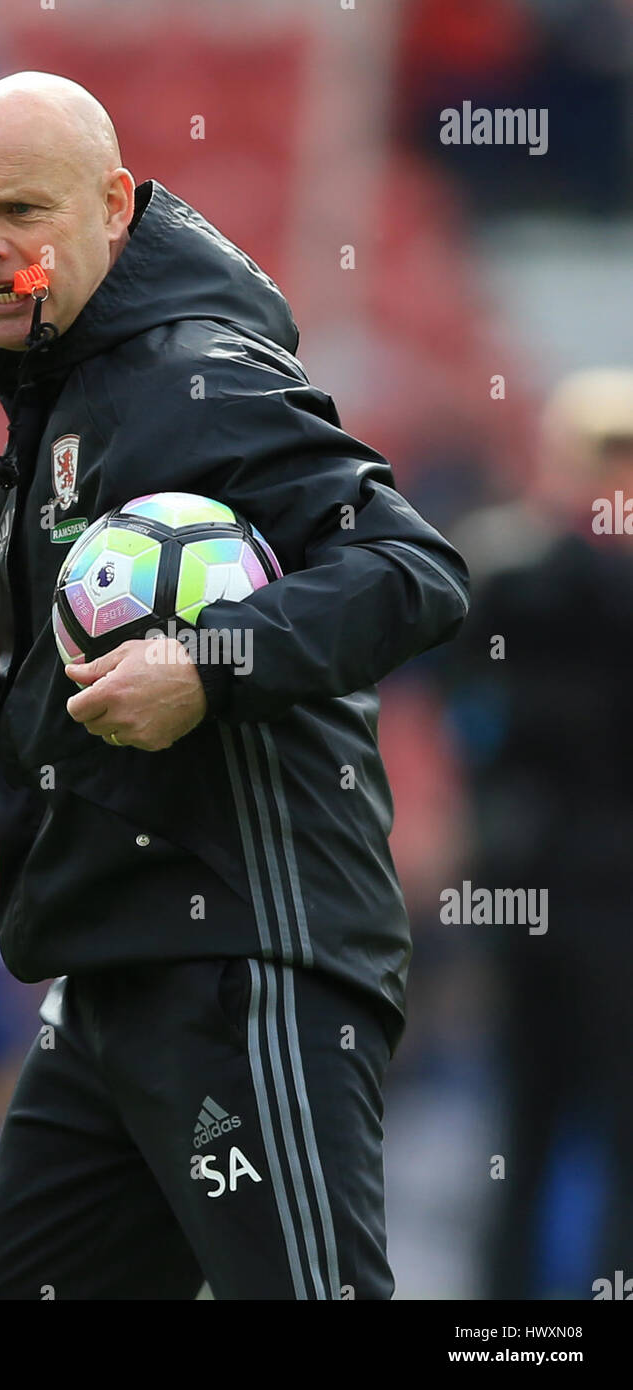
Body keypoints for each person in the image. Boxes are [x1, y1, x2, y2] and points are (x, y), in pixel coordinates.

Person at [0, 71, 469, 1300]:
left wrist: (210, 665)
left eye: (20, 211)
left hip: (249, 967)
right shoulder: (64, 393)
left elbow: (413, 569)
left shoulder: (196, 376)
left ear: (113, 205)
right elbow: (110, 697)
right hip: (114, 981)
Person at [443, 369, 633, 1298]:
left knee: (539, 1121)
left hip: (535, 880)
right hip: (553, 886)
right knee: (530, 1116)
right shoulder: (511, 568)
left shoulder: (496, 563)